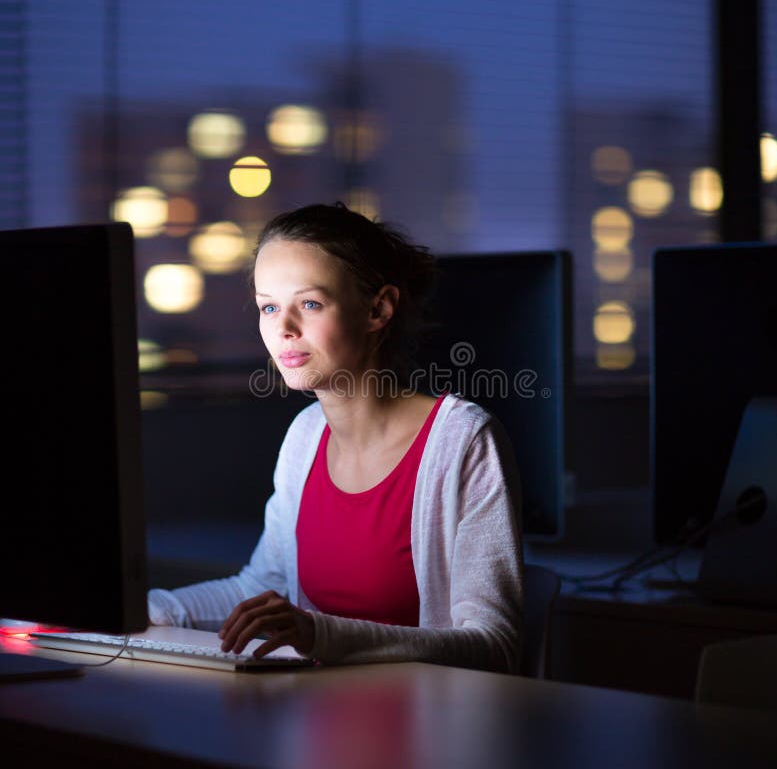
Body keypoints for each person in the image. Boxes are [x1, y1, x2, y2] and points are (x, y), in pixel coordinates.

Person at [147, 202, 524, 674]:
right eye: (268, 307)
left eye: (309, 304)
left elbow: (495, 645)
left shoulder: (464, 440)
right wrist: (142, 608)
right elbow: (262, 588)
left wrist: (317, 633)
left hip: (428, 733)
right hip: (315, 721)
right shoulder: (305, 436)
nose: (282, 329)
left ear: (378, 309)